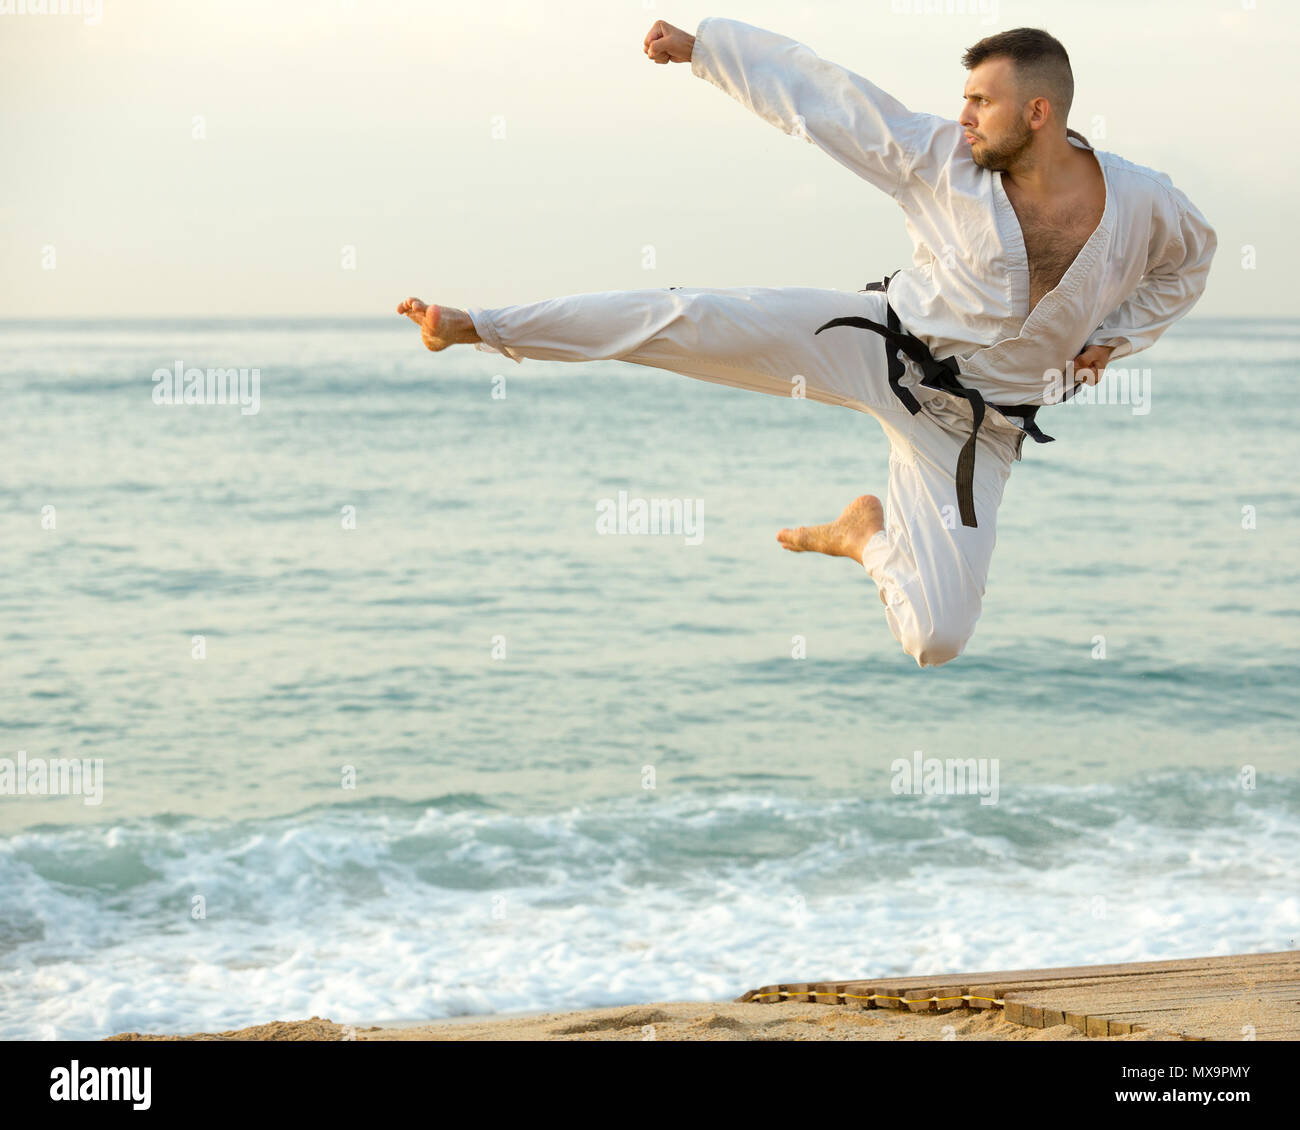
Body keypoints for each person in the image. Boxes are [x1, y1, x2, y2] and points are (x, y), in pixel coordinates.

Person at [397, 17, 1216, 667]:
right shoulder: (939, 160)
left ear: (1038, 113)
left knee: (936, 639)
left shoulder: (1143, 203)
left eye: (981, 102)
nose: (963, 116)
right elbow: (823, 98)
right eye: (963, 98)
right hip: (878, 345)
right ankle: (482, 326)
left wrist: (1116, 336)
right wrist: (705, 51)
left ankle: (862, 536)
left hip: (976, 432)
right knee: (686, 318)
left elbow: (1191, 263)